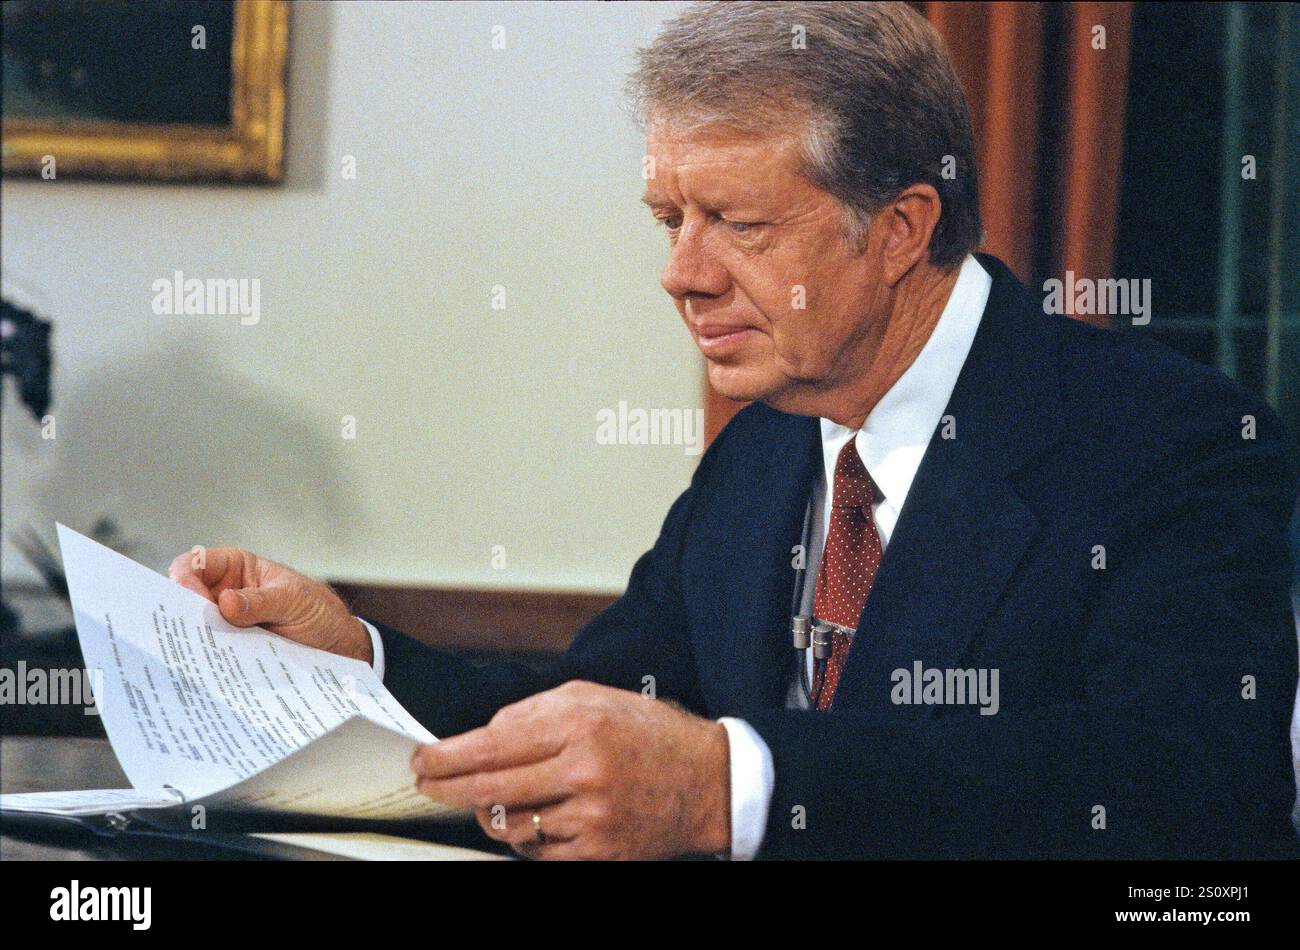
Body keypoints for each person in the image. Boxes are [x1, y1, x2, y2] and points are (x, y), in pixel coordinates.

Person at [169, 2, 1299, 860]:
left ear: (900, 227)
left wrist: (731, 783)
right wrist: (355, 663)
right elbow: (595, 711)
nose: (679, 274)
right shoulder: (764, 448)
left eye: (738, 224)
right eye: (670, 219)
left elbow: (1185, 792)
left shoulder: (1174, 443)